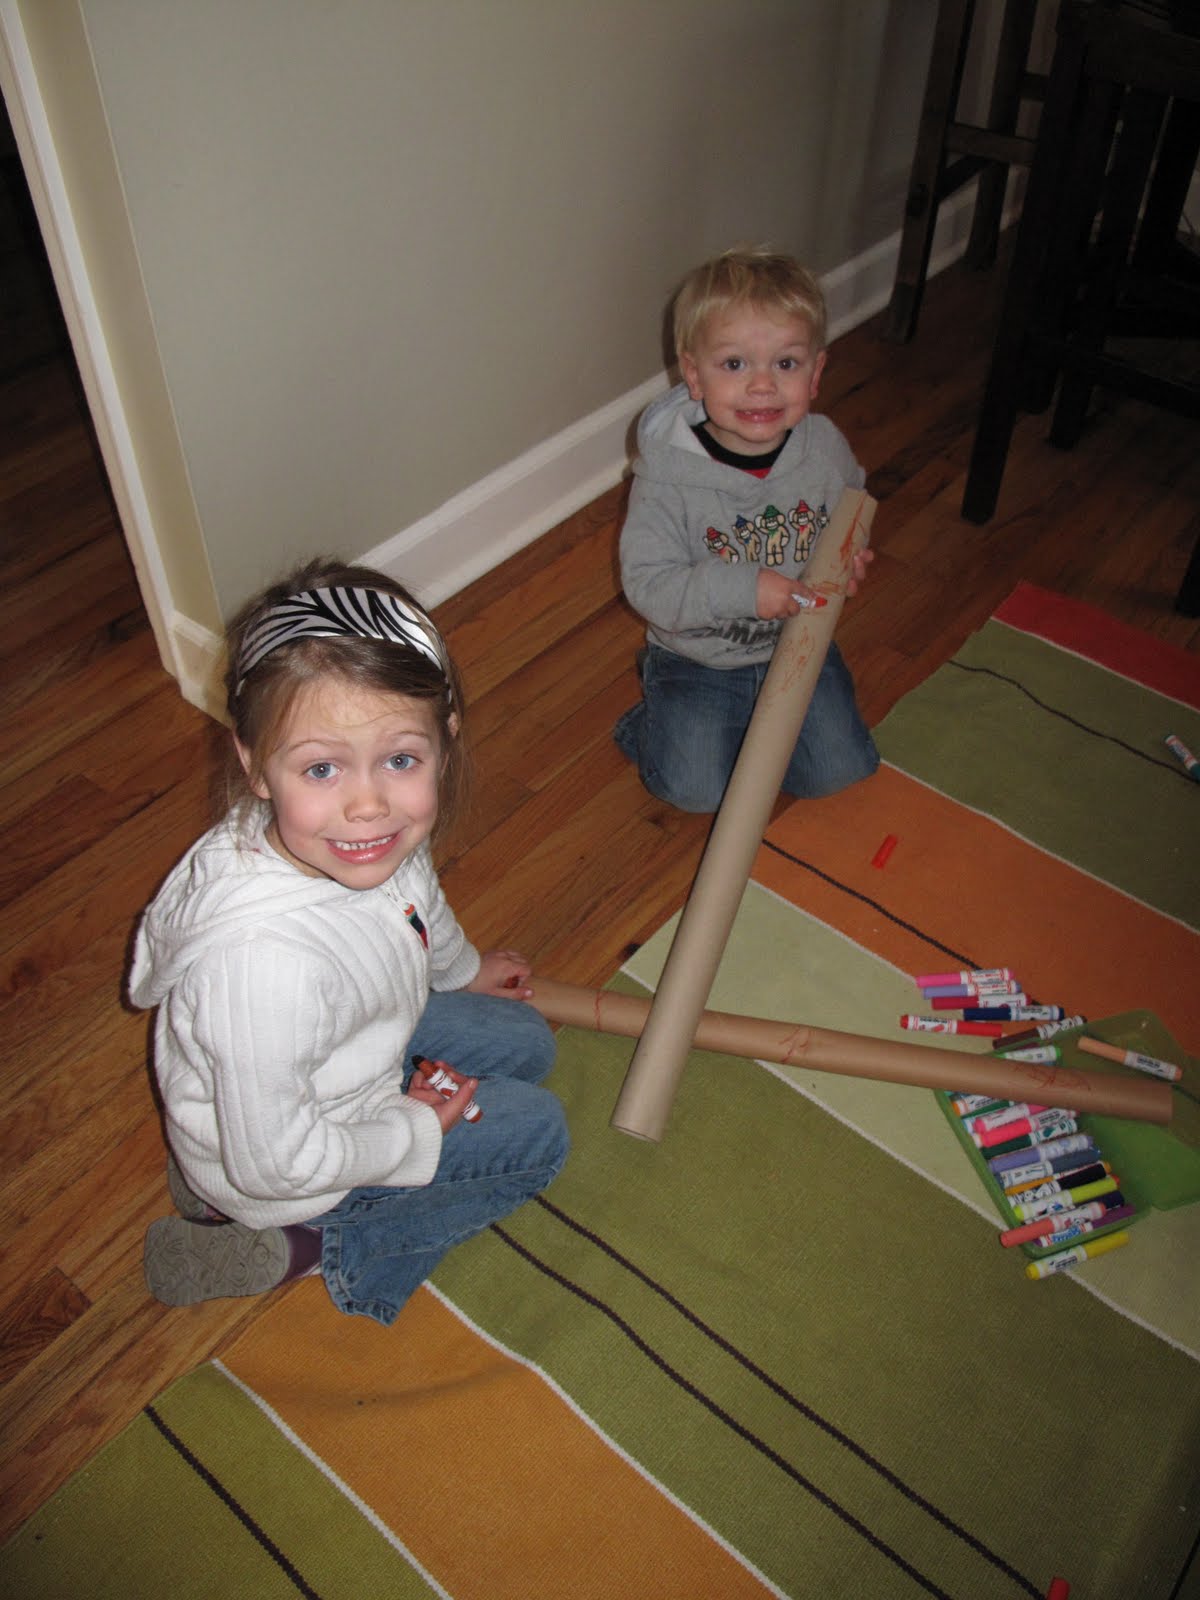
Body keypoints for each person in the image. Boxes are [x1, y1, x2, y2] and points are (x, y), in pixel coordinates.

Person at [130, 559, 568, 1325]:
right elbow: (274, 1160)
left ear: (443, 741)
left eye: (401, 760)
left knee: (525, 1042)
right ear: (254, 765)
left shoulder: (359, 837)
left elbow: (416, 908)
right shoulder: (263, 968)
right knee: (537, 1135)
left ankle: (211, 1188)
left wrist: (463, 971)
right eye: (323, 767)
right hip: (282, 1167)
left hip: (328, 1063)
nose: (368, 805)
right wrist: (408, 1128)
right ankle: (318, 1243)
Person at [613, 246, 878, 813]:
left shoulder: (823, 447)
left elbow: (853, 501)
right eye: (734, 364)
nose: (762, 386)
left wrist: (850, 552)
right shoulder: (666, 477)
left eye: (786, 364)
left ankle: (749, 734)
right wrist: (744, 590)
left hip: (799, 645)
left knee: (842, 772)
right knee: (697, 793)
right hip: (697, 658)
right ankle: (649, 719)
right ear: (693, 374)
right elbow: (649, 586)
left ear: (816, 373)